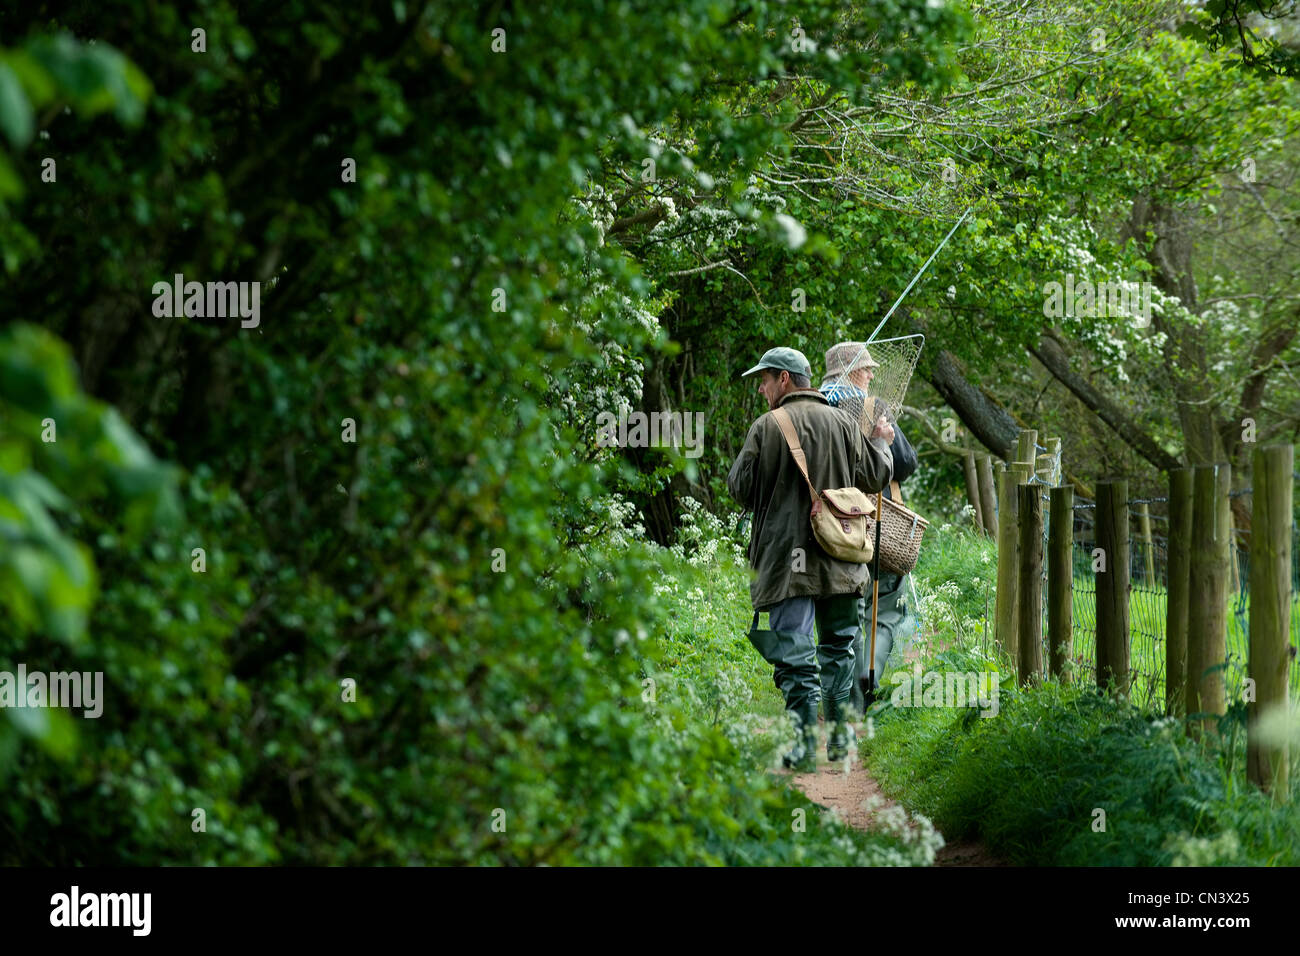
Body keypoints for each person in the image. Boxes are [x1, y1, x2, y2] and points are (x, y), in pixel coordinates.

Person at [727, 346, 894, 772]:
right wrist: (881, 441)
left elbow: (739, 488)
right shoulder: (843, 423)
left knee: (795, 653)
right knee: (838, 650)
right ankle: (839, 743)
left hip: (787, 565)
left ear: (785, 379)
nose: (761, 388)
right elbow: (877, 476)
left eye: (764, 379)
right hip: (841, 557)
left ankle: (802, 748)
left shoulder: (767, 427)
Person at [818, 342, 919, 713]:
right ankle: (868, 689)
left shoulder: (817, 408)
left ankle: (842, 702)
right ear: (851, 372)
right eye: (867, 369)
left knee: (847, 617)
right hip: (877, 526)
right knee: (887, 611)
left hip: (831, 529)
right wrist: (883, 442)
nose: (873, 375)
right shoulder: (873, 407)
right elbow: (906, 464)